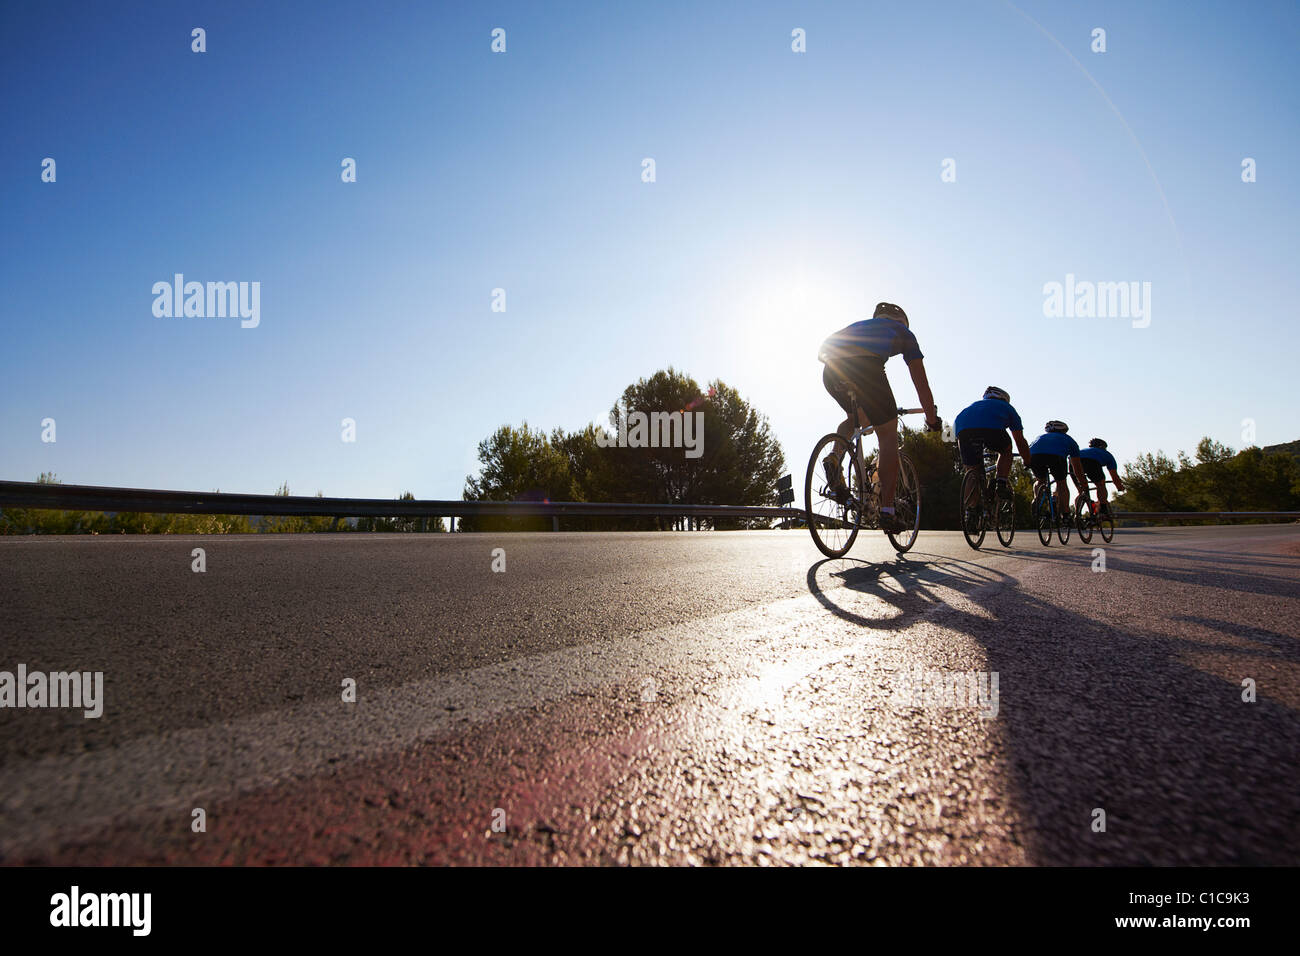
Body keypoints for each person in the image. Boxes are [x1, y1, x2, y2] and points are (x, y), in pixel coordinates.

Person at [817, 302, 941, 533]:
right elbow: (920, 383)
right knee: (888, 435)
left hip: (830, 366)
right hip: (864, 365)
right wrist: (932, 419)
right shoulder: (903, 331)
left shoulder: (861, 325)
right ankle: (888, 512)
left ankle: (834, 457)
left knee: (857, 417)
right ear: (902, 321)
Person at [953, 386, 1034, 509]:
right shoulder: (1007, 407)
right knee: (1006, 451)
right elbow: (1020, 440)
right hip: (992, 430)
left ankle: (970, 512)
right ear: (1004, 399)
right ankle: (1001, 483)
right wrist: (1027, 461)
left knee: (972, 470)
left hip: (963, 429)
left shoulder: (973, 406)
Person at [1028, 420, 1089, 521]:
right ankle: (1065, 514)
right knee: (1061, 484)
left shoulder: (1039, 437)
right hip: (1056, 457)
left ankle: (1036, 498)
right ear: (1064, 431)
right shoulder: (1069, 440)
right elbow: (1077, 468)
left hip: (1034, 456)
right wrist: (1083, 484)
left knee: (1040, 480)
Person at [1079, 438, 1125, 516]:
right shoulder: (1106, 454)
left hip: (1074, 462)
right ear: (1103, 447)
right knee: (1101, 485)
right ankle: (1103, 509)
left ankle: (1077, 515)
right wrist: (1119, 487)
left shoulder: (1084, 450)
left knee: (1081, 491)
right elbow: (1114, 477)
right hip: (1092, 463)